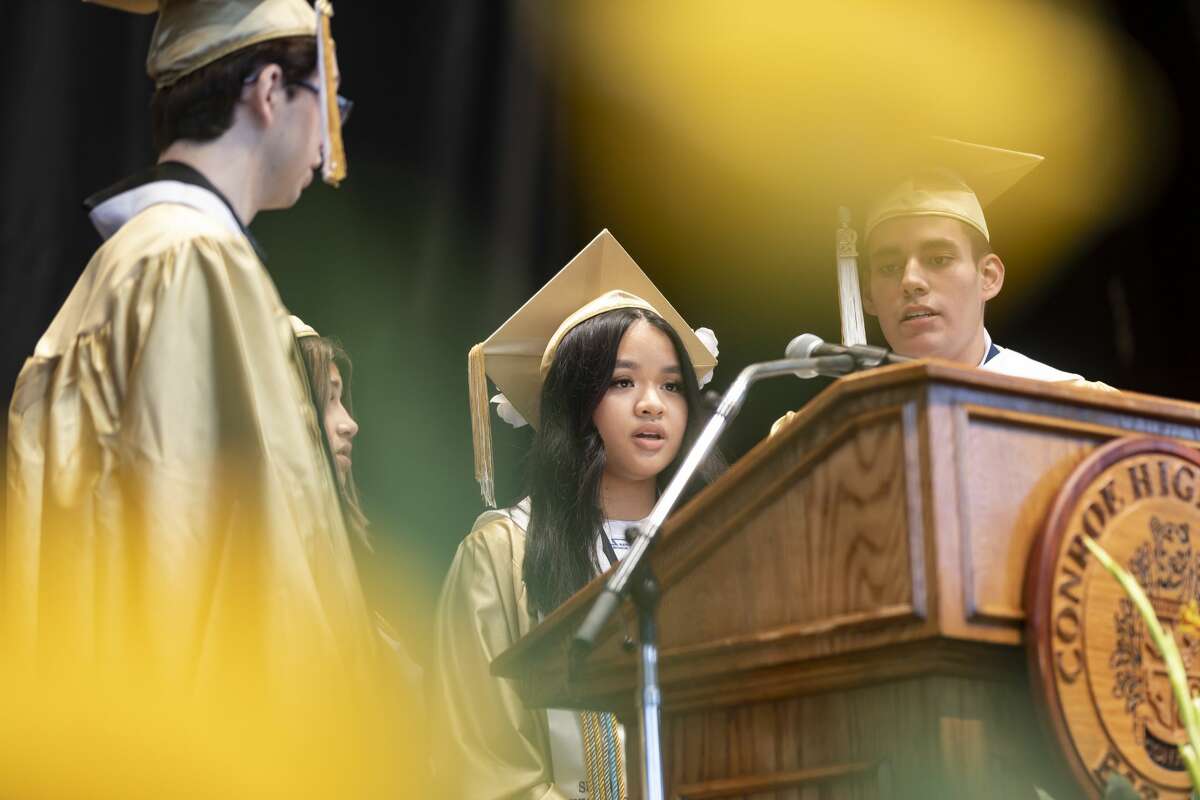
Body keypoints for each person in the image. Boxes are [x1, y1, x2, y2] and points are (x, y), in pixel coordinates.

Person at [3, 0, 376, 690]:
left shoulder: (130, 262)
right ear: (269, 91)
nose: (329, 140)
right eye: (328, 101)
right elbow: (184, 545)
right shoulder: (190, 261)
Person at [430, 230, 722, 800]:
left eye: (670, 384)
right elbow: (483, 764)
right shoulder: (502, 554)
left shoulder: (713, 541)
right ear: (572, 403)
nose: (651, 404)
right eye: (621, 382)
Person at [773, 138, 1112, 435]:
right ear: (867, 295)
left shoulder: (1082, 411)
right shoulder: (815, 436)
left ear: (989, 277)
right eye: (890, 267)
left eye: (938, 259)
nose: (910, 281)